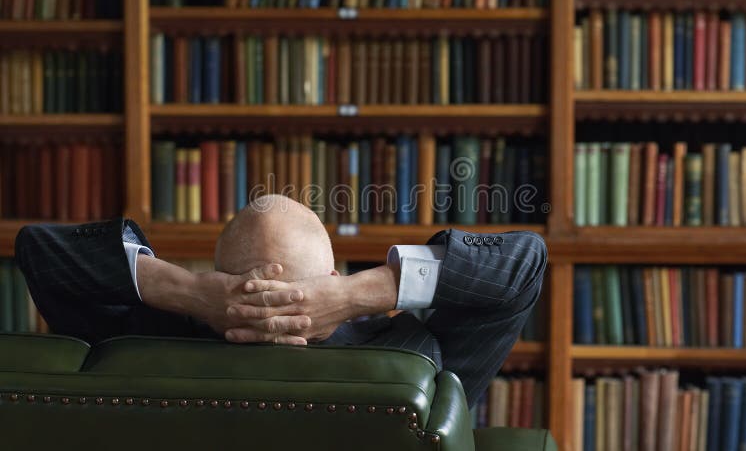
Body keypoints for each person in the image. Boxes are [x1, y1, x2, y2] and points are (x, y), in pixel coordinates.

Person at [14, 195, 547, 407]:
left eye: (302, 300)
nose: (274, 323)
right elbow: (40, 249)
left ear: (333, 283)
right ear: (218, 287)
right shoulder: (415, 351)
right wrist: (193, 294)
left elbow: (524, 262)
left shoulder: (141, 337)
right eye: (248, 294)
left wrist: (354, 296)